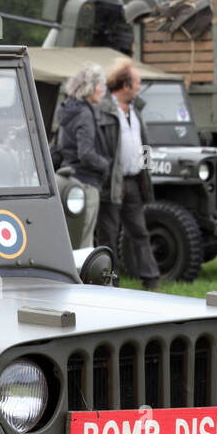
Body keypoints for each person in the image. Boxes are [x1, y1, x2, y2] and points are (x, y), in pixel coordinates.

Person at [96, 58, 160, 290]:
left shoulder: (135, 110)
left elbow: (143, 144)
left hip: (134, 181)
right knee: (108, 236)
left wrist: (146, 171)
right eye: (137, 82)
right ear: (125, 85)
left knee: (140, 232)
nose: (139, 87)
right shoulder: (103, 110)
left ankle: (151, 280)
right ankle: (108, 282)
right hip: (111, 183)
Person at [53, 62, 108, 250]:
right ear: (90, 88)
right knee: (85, 241)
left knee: (72, 238)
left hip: (69, 180)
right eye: (100, 85)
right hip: (86, 183)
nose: (103, 90)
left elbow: (61, 146)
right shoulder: (85, 114)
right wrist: (105, 165)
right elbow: (86, 153)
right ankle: (83, 279)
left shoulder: (67, 109)